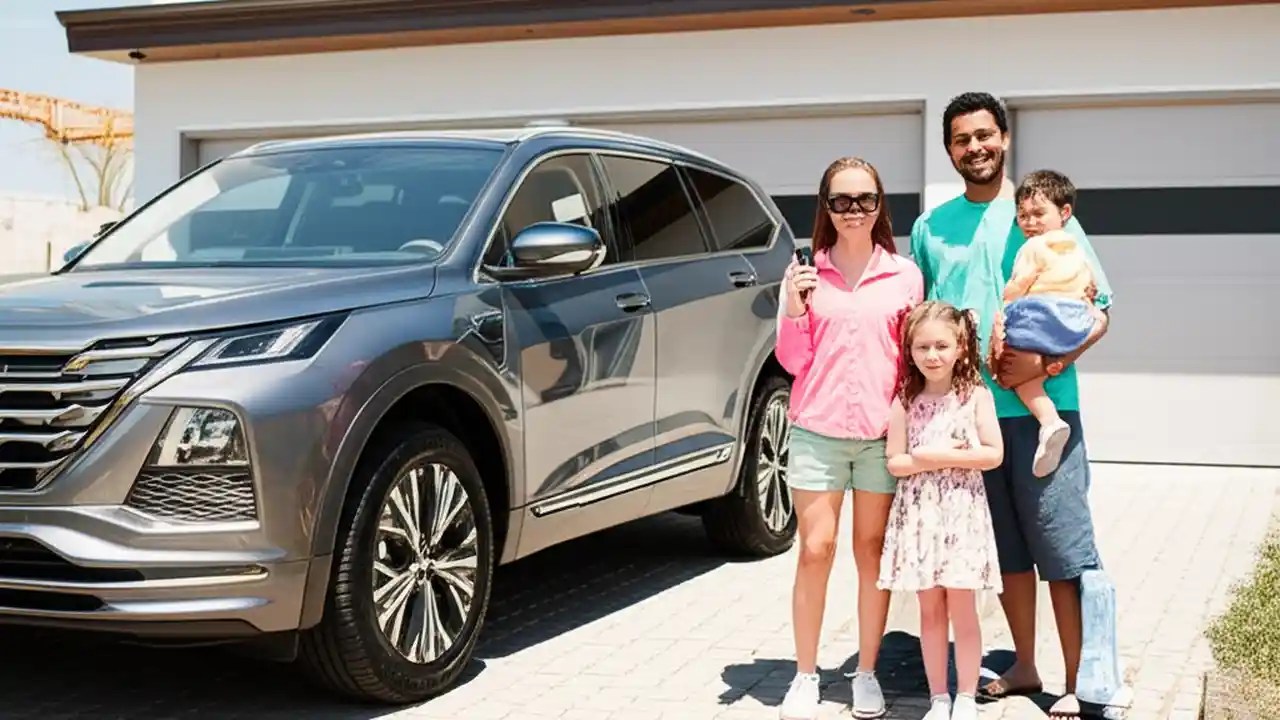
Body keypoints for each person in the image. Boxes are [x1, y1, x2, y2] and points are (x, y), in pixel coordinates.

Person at [908, 92, 1114, 719]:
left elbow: (1098, 310)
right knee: (1005, 549)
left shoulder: (1041, 216)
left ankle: (1081, 679)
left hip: (1046, 410)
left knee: (1061, 546)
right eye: (962, 139)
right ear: (949, 150)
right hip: (967, 418)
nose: (975, 147)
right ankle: (1025, 665)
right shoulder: (929, 228)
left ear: (1004, 139)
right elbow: (922, 321)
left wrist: (1050, 365)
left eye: (985, 135)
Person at [776, 156, 924, 720]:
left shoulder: (905, 276)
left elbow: (913, 359)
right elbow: (793, 361)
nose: (854, 211)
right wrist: (792, 308)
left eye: (865, 200)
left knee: (871, 555)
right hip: (817, 432)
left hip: (881, 437)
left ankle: (865, 672)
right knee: (815, 551)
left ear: (880, 205)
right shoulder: (808, 275)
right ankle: (806, 675)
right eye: (842, 201)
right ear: (827, 208)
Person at [877, 300, 1004, 720]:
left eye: (941, 346)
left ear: (961, 347)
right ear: (909, 351)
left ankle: (966, 695)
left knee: (963, 606)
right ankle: (938, 697)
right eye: (921, 347)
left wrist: (945, 457)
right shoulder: (905, 400)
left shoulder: (975, 396)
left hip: (961, 514)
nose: (932, 356)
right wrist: (930, 455)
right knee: (930, 609)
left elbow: (993, 454)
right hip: (921, 517)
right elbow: (896, 461)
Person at [987, 170, 1104, 477]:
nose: (1030, 222)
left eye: (1038, 213)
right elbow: (1091, 286)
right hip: (1075, 322)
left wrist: (1006, 305)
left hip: (1044, 316)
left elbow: (1019, 284)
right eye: (1023, 215)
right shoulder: (1074, 246)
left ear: (1065, 212)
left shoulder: (1032, 247)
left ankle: (1049, 420)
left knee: (1013, 369)